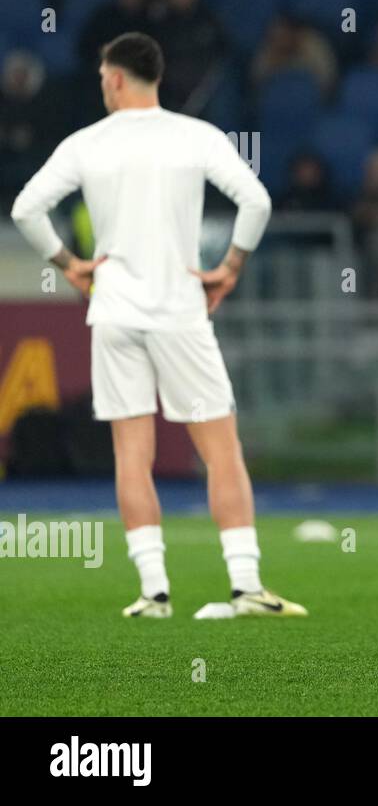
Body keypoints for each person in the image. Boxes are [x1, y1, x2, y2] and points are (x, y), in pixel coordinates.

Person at [9, 32, 304, 619]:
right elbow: (258, 201)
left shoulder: (86, 143)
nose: (102, 87)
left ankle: (154, 592)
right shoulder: (195, 136)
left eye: (102, 79)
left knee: (130, 453)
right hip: (179, 309)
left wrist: (68, 264)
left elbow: (25, 209)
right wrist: (231, 267)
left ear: (116, 78)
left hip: (114, 310)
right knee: (221, 452)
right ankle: (245, 586)